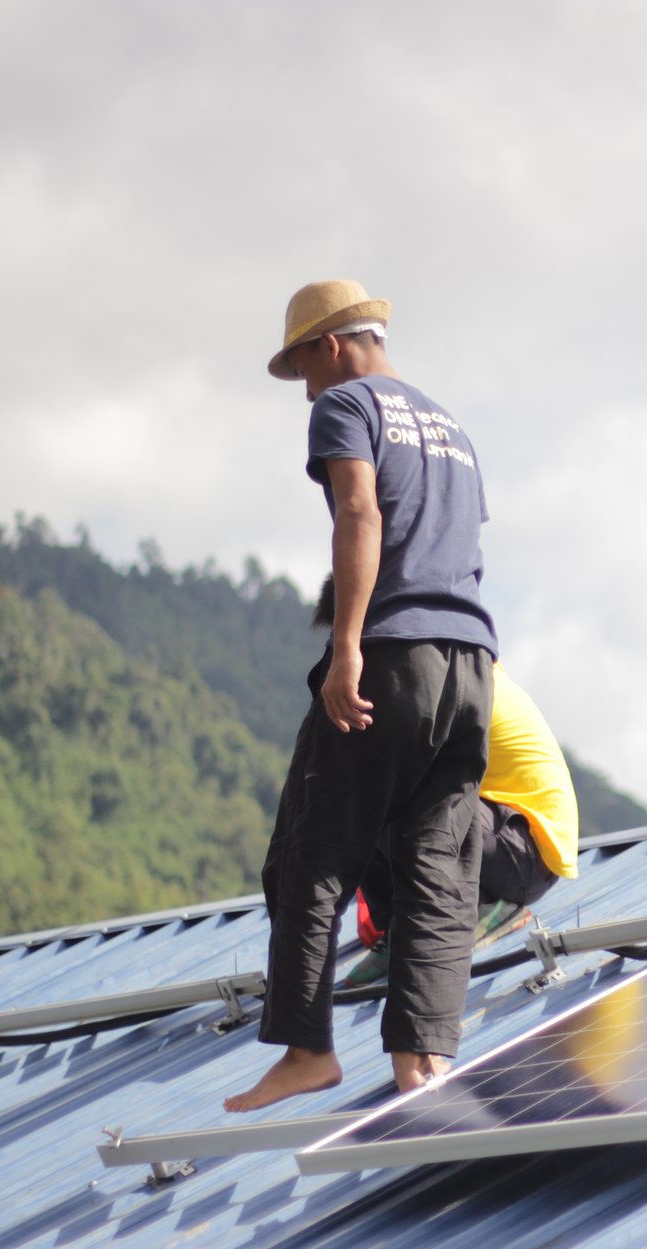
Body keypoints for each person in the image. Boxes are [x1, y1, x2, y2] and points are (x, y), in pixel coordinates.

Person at [226, 280, 497, 1112]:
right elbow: (465, 550)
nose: (306, 389)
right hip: (472, 663)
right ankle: (423, 1061)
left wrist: (346, 647)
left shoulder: (348, 406)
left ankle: (307, 1049)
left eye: (303, 367)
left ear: (333, 344)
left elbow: (358, 514)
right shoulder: (453, 429)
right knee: (440, 865)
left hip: (392, 653)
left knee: (311, 850)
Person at [341, 650, 580, 988]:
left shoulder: (462, 682)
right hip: (504, 842)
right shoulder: (456, 670)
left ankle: (477, 908)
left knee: (389, 796)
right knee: (370, 794)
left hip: (526, 856)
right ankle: (401, 926)